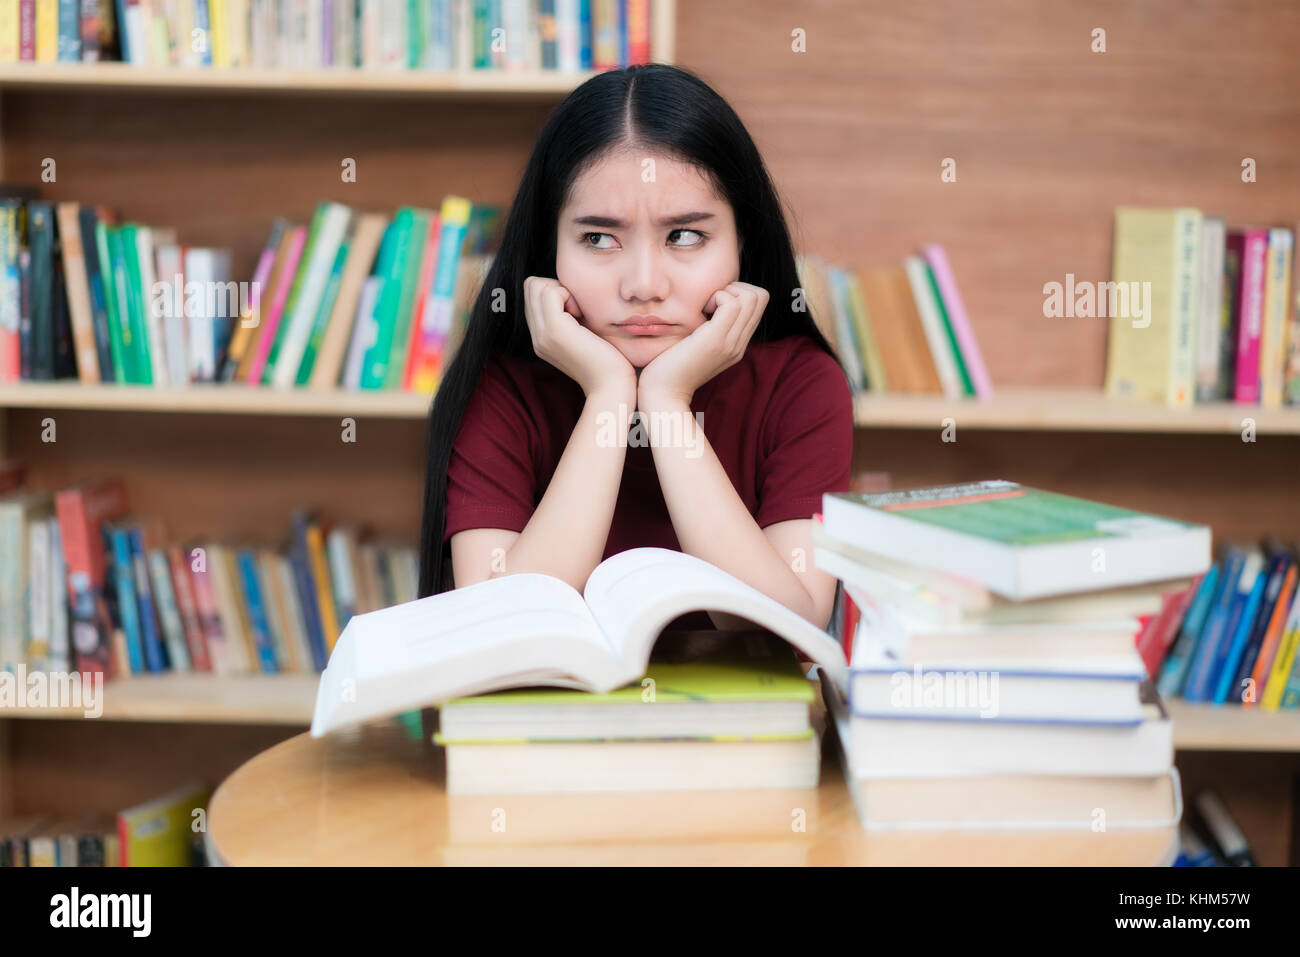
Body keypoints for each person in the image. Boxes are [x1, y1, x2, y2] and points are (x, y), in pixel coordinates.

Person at [417, 63, 853, 633]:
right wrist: (608, 394)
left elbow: (785, 630)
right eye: (599, 238)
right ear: (550, 248)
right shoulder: (503, 385)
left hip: (741, 722)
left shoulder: (801, 383)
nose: (643, 285)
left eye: (685, 236)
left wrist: (668, 401)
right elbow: (501, 630)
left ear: (743, 240)